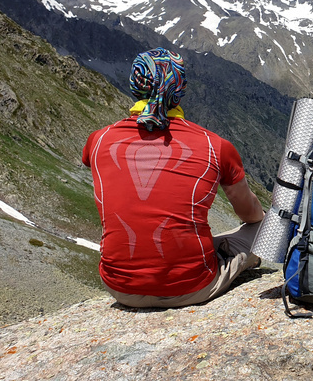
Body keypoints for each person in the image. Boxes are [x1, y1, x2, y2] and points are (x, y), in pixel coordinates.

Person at [82, 47, 264, 308]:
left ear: (135, 84)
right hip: (192, 286)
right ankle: (243, 261)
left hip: (119, 287)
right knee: (267, 226)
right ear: (179, 89)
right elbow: (251, 215)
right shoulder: (216, 145)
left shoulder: (97, 141)